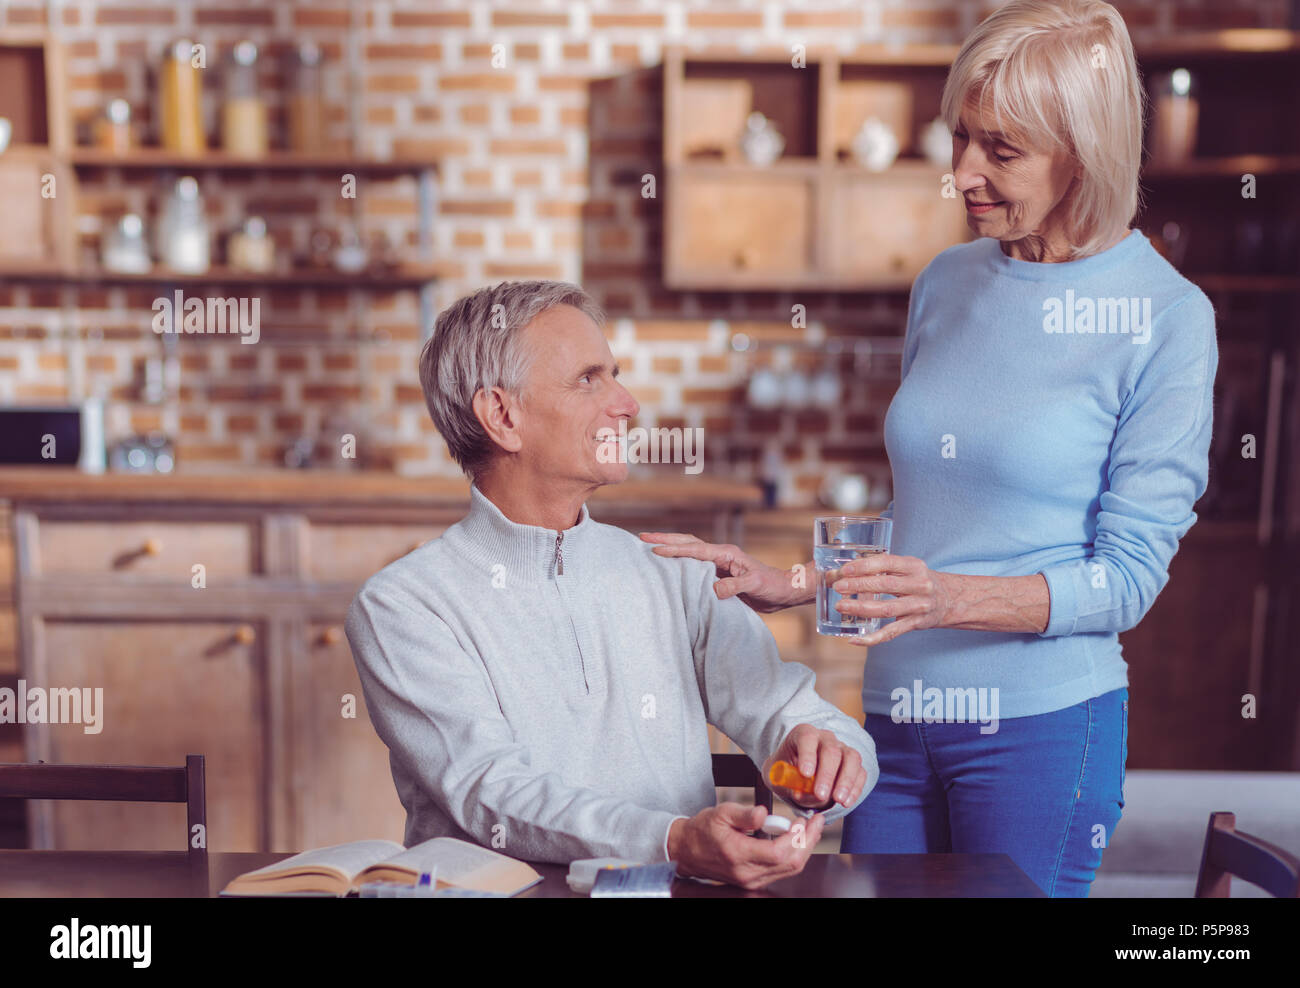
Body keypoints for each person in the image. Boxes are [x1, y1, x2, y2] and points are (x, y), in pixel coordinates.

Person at [641, 0, 1217, 896]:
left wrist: (949, 596)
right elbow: (931, 518)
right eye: (960, 139)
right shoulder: (947, 282)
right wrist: (788, 585)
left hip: (1041, 727)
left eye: (1002, 150)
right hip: (893, 718)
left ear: (1085, 152)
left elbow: (1128, 579)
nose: (964, 174)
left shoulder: (1167, 318)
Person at [345, 280, 876, 890]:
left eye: (615, 375)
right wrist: (671, 841)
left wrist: (824, 761)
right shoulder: (404, 605)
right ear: (502, 416)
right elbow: (489, 791)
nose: (627, 403)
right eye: (588, 380)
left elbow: (803, 719)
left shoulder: (673, 571)